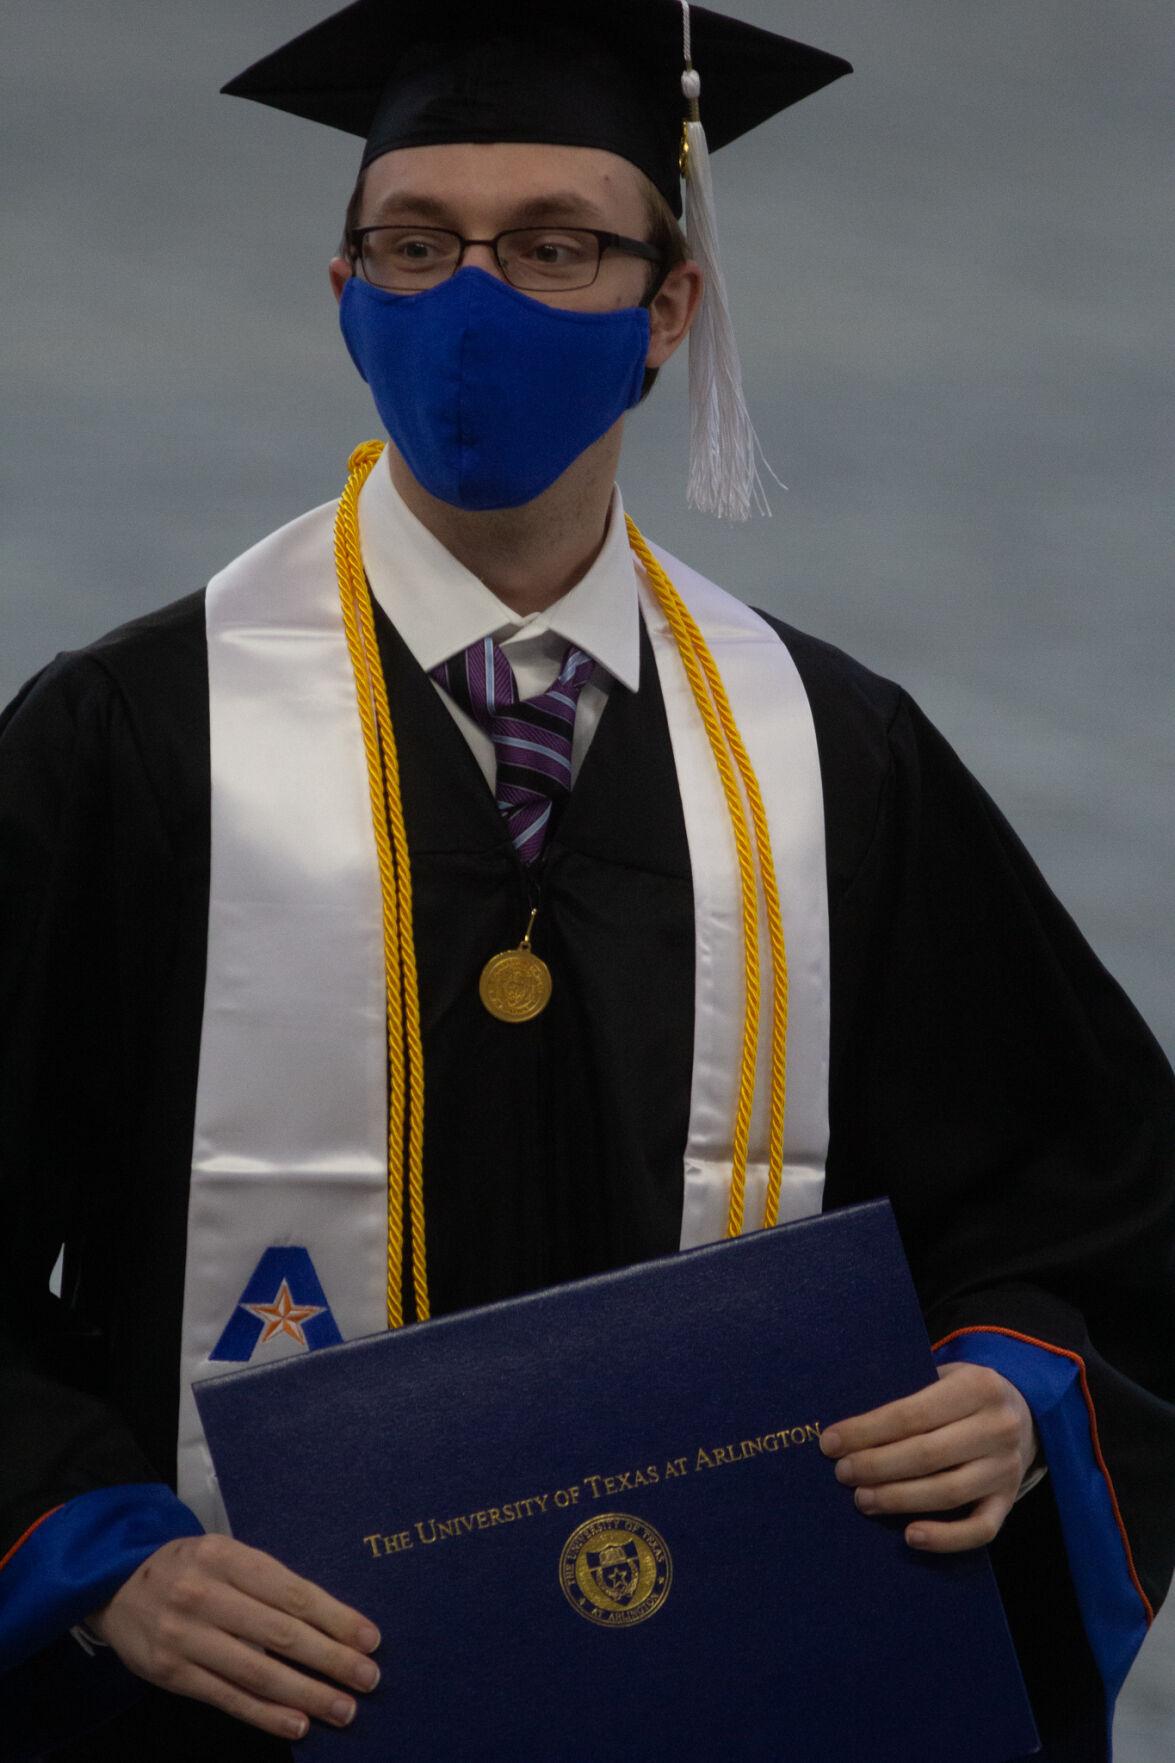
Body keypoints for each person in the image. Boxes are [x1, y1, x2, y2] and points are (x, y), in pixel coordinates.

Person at [1, 3, 1171, 1760]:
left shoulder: (835, 753)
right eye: (415, 245)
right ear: (344, 299)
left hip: (728, 1702)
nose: (473, 299)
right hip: (236, 1719)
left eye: (555, 247)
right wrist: (92, 1550)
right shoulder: (131, 745)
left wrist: (1012, 1396)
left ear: (667, 309)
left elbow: (1092, 1212)